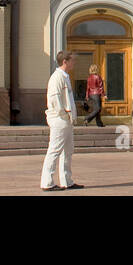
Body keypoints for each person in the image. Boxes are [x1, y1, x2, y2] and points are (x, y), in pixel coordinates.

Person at [39, 50, 83, 191]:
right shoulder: (56, 77)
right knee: (54, 150)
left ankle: (66, 180)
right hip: (60, 120)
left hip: (66, 120)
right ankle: (47, 182)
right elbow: (54, 98)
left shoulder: (65, 77)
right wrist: (63, 113)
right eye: (73, 61)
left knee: (68, 151)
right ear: (65, 61)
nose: (74, 63)